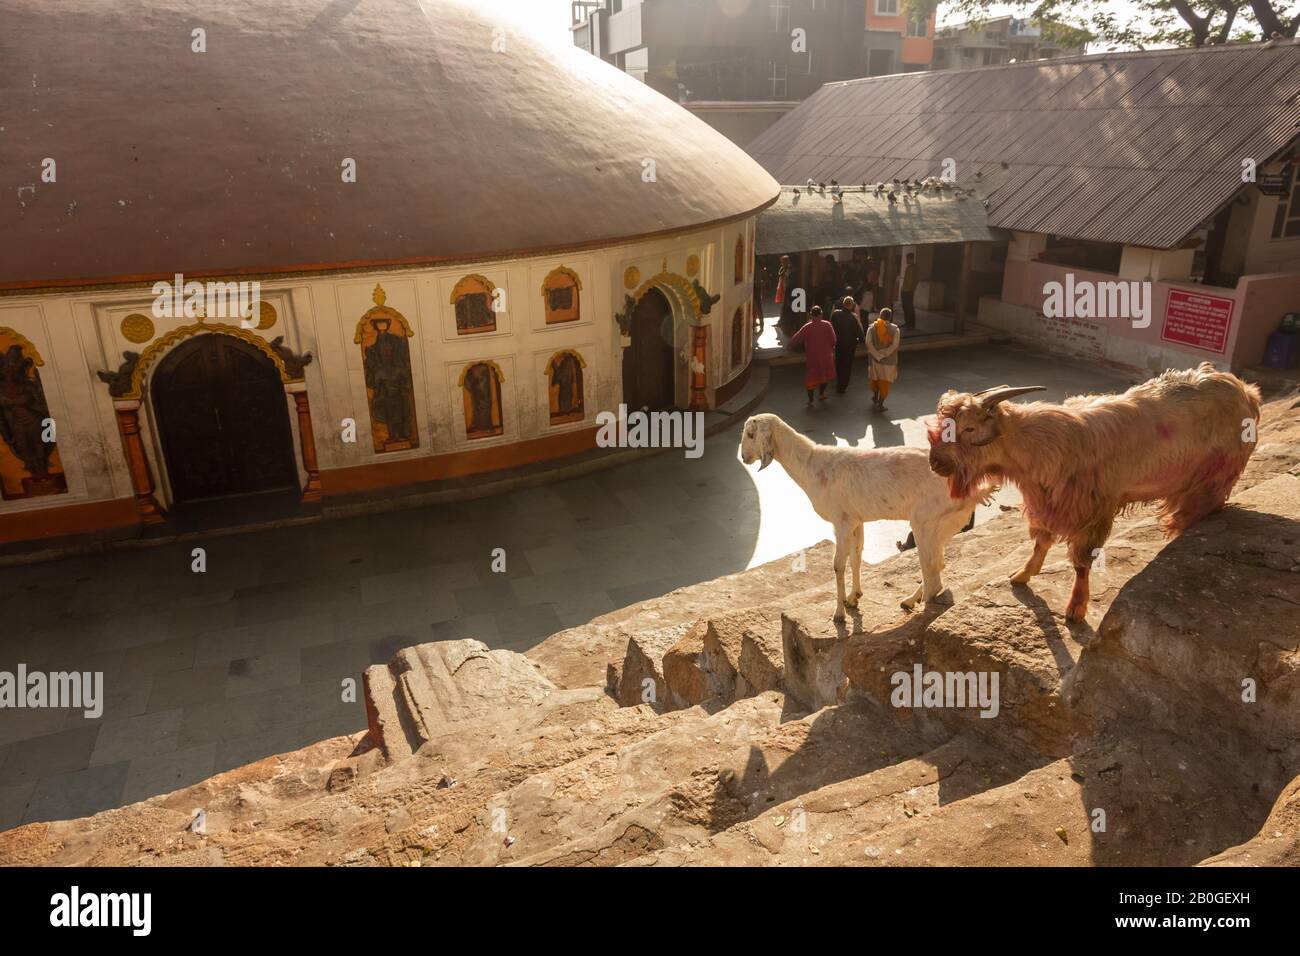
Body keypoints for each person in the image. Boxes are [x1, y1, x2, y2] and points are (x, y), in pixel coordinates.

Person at [788, 305, 836, 405]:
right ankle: (821, 394)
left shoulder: (807, 326)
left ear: (811, 315)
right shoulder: (827, 325)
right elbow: (833, 339)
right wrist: (830, 348)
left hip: (813, 356)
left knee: (811, 377)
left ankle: (811, 399)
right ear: (821, 314)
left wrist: (790, 345)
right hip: (826, 355)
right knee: (825, 375)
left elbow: (797, 337)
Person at [866, 306, 901, 413]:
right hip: (888, 362)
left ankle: (875, 397)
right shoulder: (895, 329)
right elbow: (895, 345)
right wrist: (884, 354)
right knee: (884, 383)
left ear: (880, 316)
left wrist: (877, 355)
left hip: (874, 360)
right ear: (890, 317)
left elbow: (868, 344)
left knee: (875, 380)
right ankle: (880, 404)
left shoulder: (872, 328)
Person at [830, 295, 864, 394]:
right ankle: (843, 385)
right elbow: (859, 332)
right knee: (847, 365)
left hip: (838, 343)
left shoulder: (835, 315)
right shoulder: (853, 317)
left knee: (839, 363)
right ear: (852, 305)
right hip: (850, 345)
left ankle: (839, 381)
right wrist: (860, 340)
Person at [900, 252, 919, 329]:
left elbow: (912, 281)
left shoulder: (913, 268)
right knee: (906, 307)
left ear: (911, 259)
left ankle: (911, 324)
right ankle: (908, 323)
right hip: (906, 290)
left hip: (908, 291)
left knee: (909, 308)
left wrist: (910, 290)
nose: (906, 260)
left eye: (907, 259)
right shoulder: (911, 267)